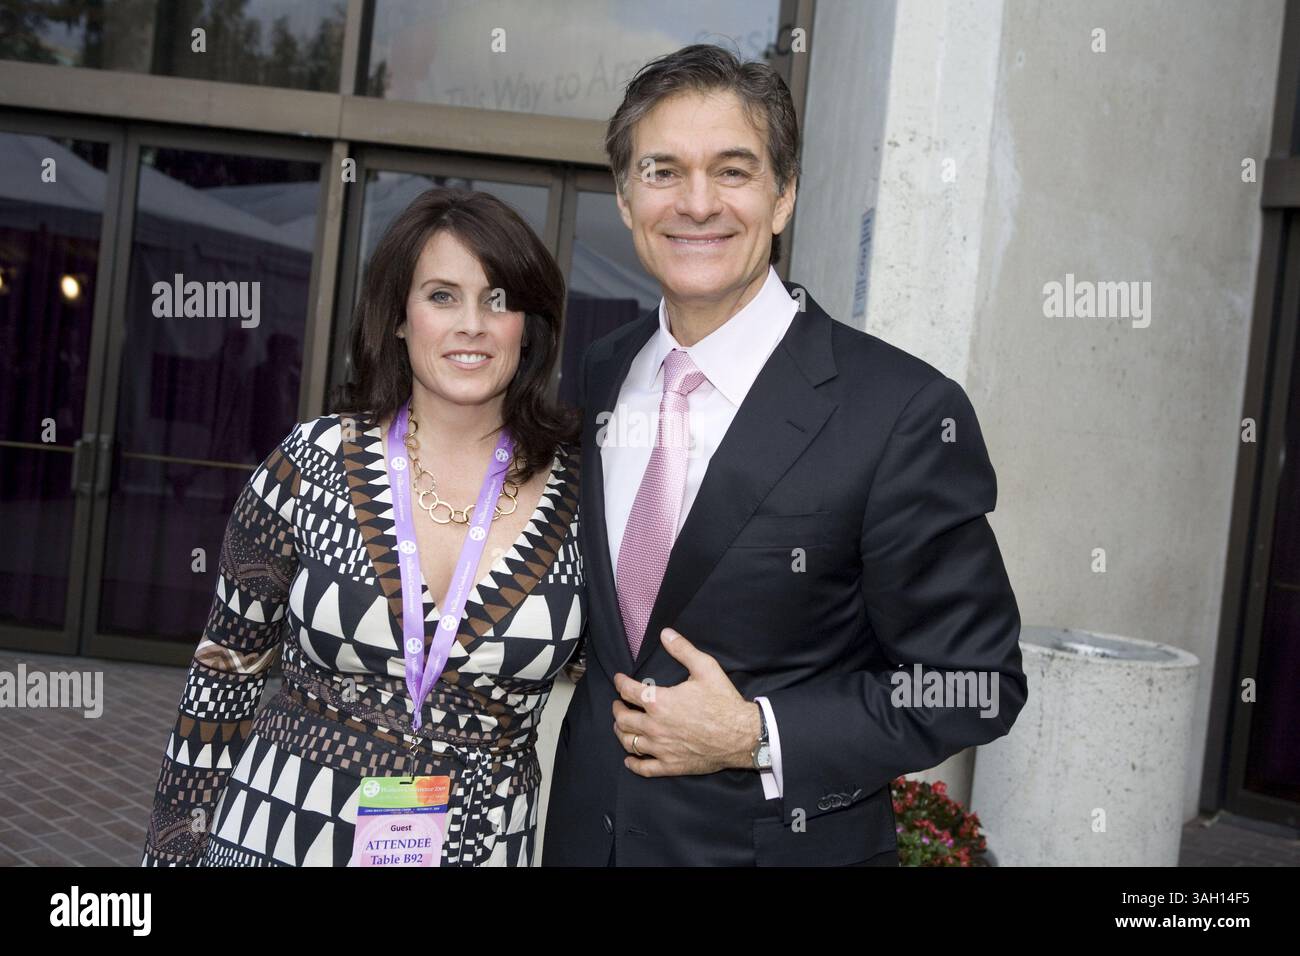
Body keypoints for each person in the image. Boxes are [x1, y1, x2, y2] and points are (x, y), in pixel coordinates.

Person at [541, 44, 1028, 866]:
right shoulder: (601, 372)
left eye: (733, 170)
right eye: (663, 171)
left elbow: (977, 683)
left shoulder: (901, 411)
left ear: (784, 195)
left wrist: (756, 734)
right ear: (627, 200)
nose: (698, 204)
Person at [142, 187, 584, 866]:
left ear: (529, 325)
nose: (471, 323)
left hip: (482, 846)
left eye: (497, 299)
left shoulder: (588, 502)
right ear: (400, 318)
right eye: (441, 295)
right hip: (280, 835)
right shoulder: (311, 465)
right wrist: (170, 858)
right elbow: (224, 674)